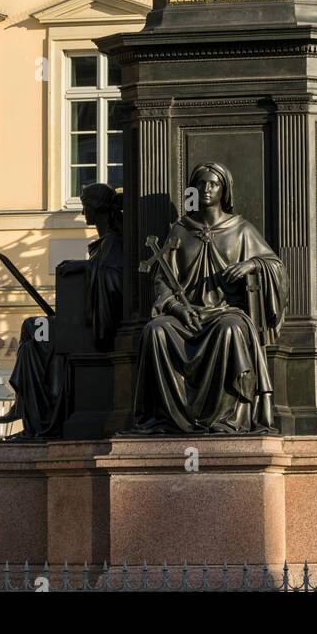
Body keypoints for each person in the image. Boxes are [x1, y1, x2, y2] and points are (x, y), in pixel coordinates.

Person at [132, 162, 288, 434]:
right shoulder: (180, 230)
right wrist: (177, 308)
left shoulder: (241, 229)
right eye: (201, 184)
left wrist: (252, 265)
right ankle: (165, 416)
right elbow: (163, 280)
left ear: (224, 190)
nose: (206, 189)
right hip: (186, 313)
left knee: (231, 329)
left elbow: (275, 266)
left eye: (213, 184)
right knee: (155, 330)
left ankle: (225, 417)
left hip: (225, 312)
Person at [0, 182, 123, 440]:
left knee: (32, 331)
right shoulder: (103, 243)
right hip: (84, 323)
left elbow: (113, 282)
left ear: (96, 208)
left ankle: (28, 410)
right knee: (30, 342)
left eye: (85, 205)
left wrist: (84, 268)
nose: (82, 211)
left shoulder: (113, 242)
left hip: (99, 329)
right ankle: (28, 410)